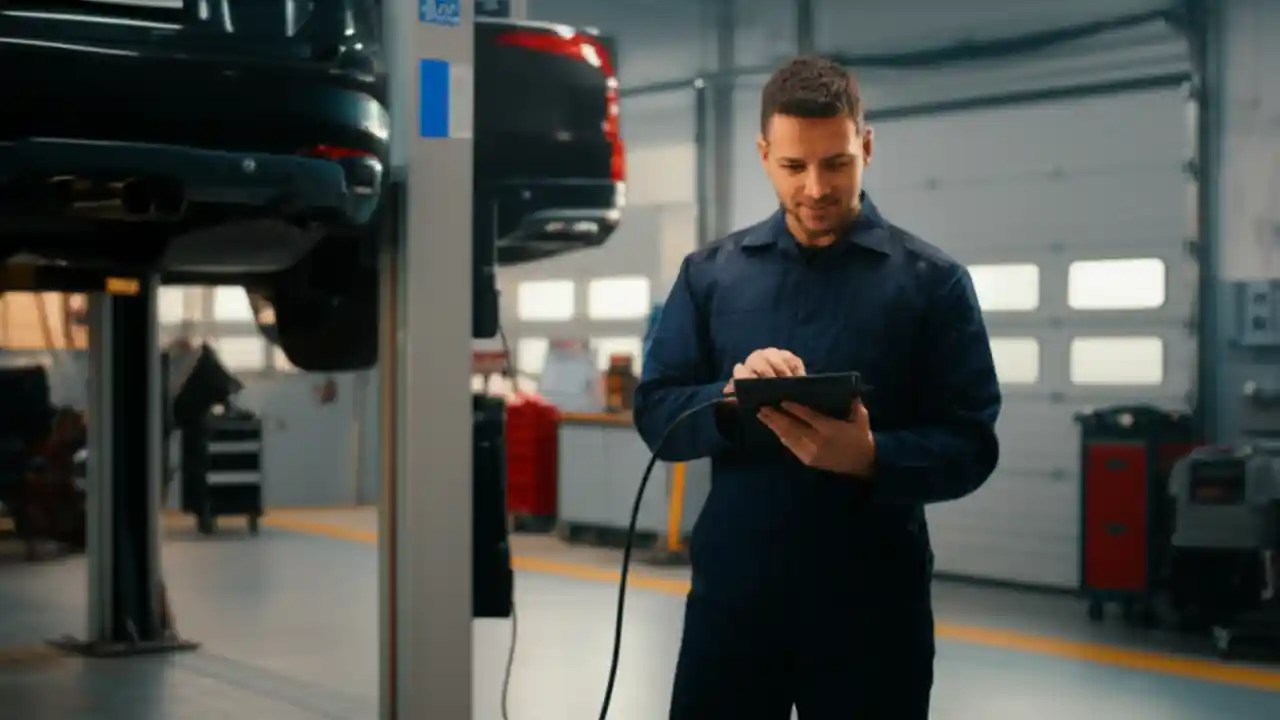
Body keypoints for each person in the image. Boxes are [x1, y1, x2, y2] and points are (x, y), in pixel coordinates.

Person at [632, 56, 1002, 719]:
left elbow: (972, 442)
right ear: (763, 153)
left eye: (836, 163)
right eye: (793, 167)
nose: (815, 188)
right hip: (734, 608)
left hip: (873, 613)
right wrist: (726, 396)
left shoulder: (932, 284)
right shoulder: (710, 277)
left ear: (866, 144)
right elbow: (655, 410)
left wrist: (870, 457)